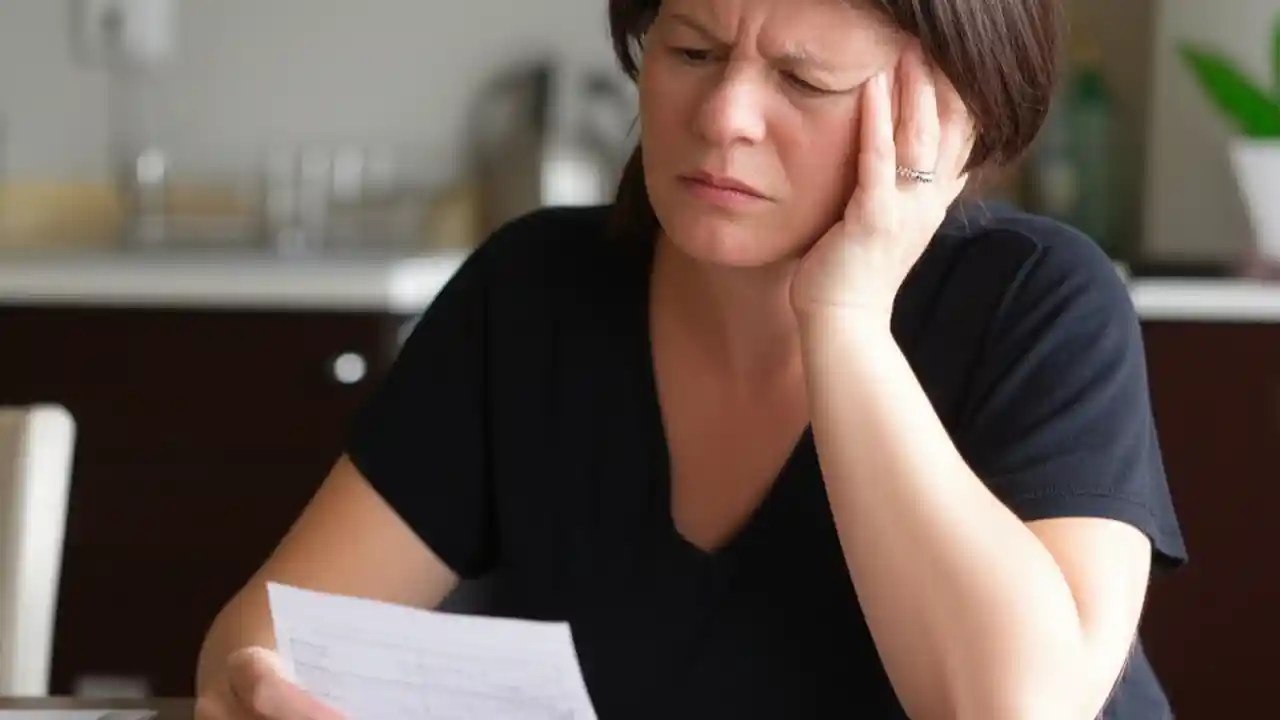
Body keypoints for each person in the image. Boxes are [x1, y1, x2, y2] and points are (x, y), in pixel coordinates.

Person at [194, 0, 1187, 717]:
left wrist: (843, 318)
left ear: (950, 115)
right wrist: (265, 693)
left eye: (804, 80)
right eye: (692, 51)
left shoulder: (1036, 300)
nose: (723, 116)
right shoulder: (534, 290)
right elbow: (262, 647)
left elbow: (1013, 707)